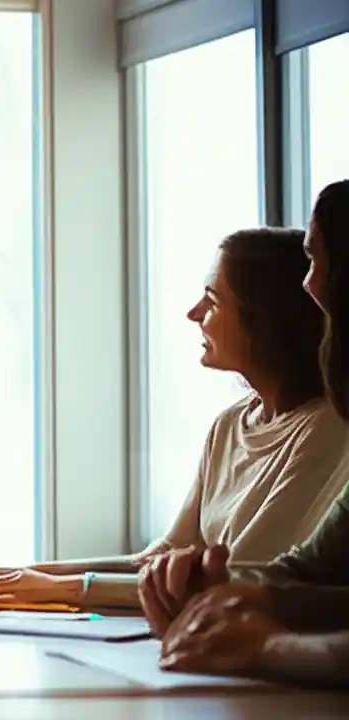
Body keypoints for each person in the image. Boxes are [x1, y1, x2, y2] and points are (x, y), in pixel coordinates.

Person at [0, 228, 348, 608]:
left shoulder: (326, 430)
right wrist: (22, 573)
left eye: (212, 302)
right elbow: (164, 556)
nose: (194, 313)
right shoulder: (229, 425)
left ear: (265, 320)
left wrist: (62, 588)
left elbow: (233, 580)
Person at [139, 179, 349, 688]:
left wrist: (261, 638)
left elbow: (267, 570)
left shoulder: (325, 428)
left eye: (320, 264)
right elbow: (306, 569)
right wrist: (226, 595)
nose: (309, 287)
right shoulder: (230, 422)